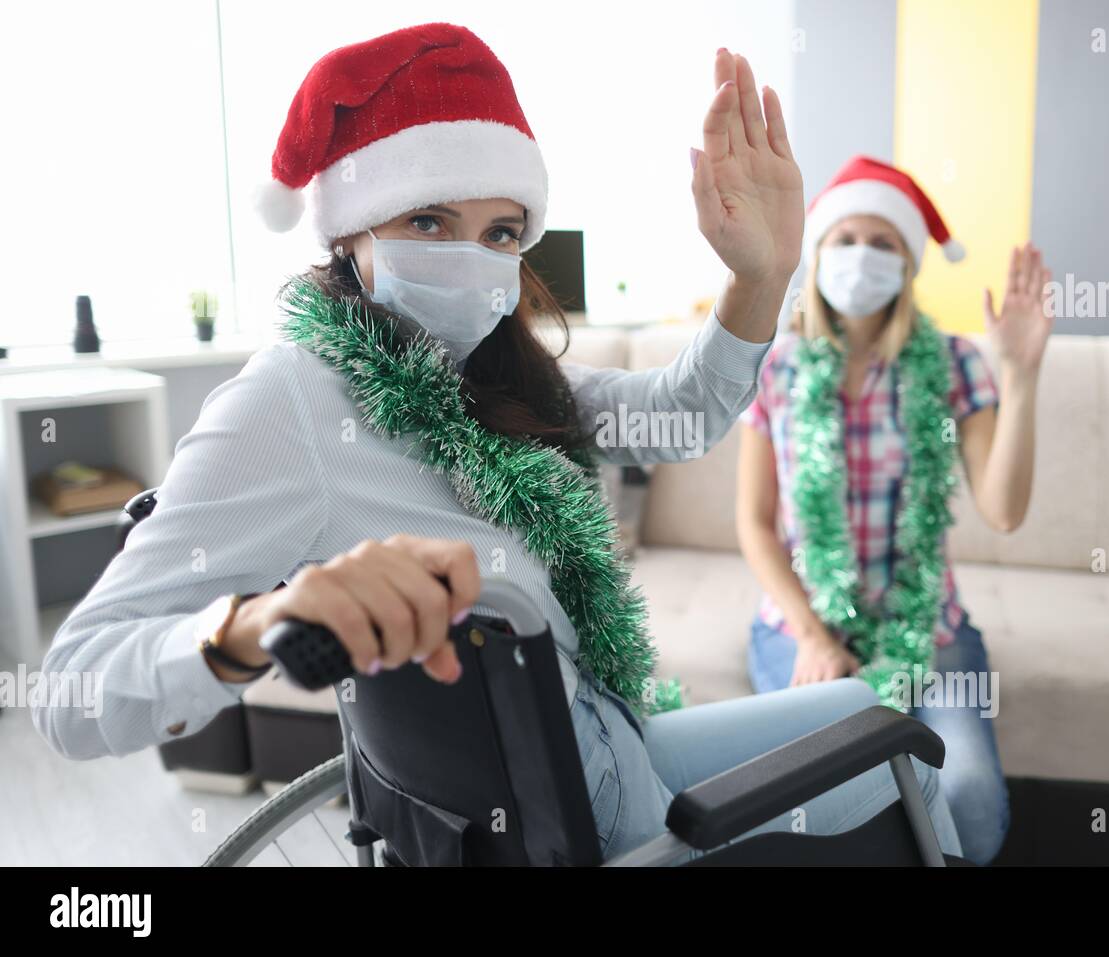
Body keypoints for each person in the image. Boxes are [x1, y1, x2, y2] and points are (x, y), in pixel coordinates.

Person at [33, 24, 961, 861]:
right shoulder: (291, 401)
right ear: (350, 231)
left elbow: (686, 413)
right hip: (597, 820)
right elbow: (72, 691)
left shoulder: (493, 371)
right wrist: (248, 628)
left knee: (867, 713)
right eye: (429, 219)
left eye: (502, 232)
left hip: (605, 741)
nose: (470, 260)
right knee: (902, 760)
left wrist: (764, 273)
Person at [735, 156, 1053, 864]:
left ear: (909, 262)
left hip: (930, 630)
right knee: (838, 797)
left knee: (968, 799)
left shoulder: (952, 362)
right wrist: (814, 637)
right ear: (816, 253)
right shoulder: (776, 367)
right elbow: (755, 524)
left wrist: (1020, 377)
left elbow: (1002, 510)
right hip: (805, 621)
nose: (861, 257)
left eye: (882, 243)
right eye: (845, 239)